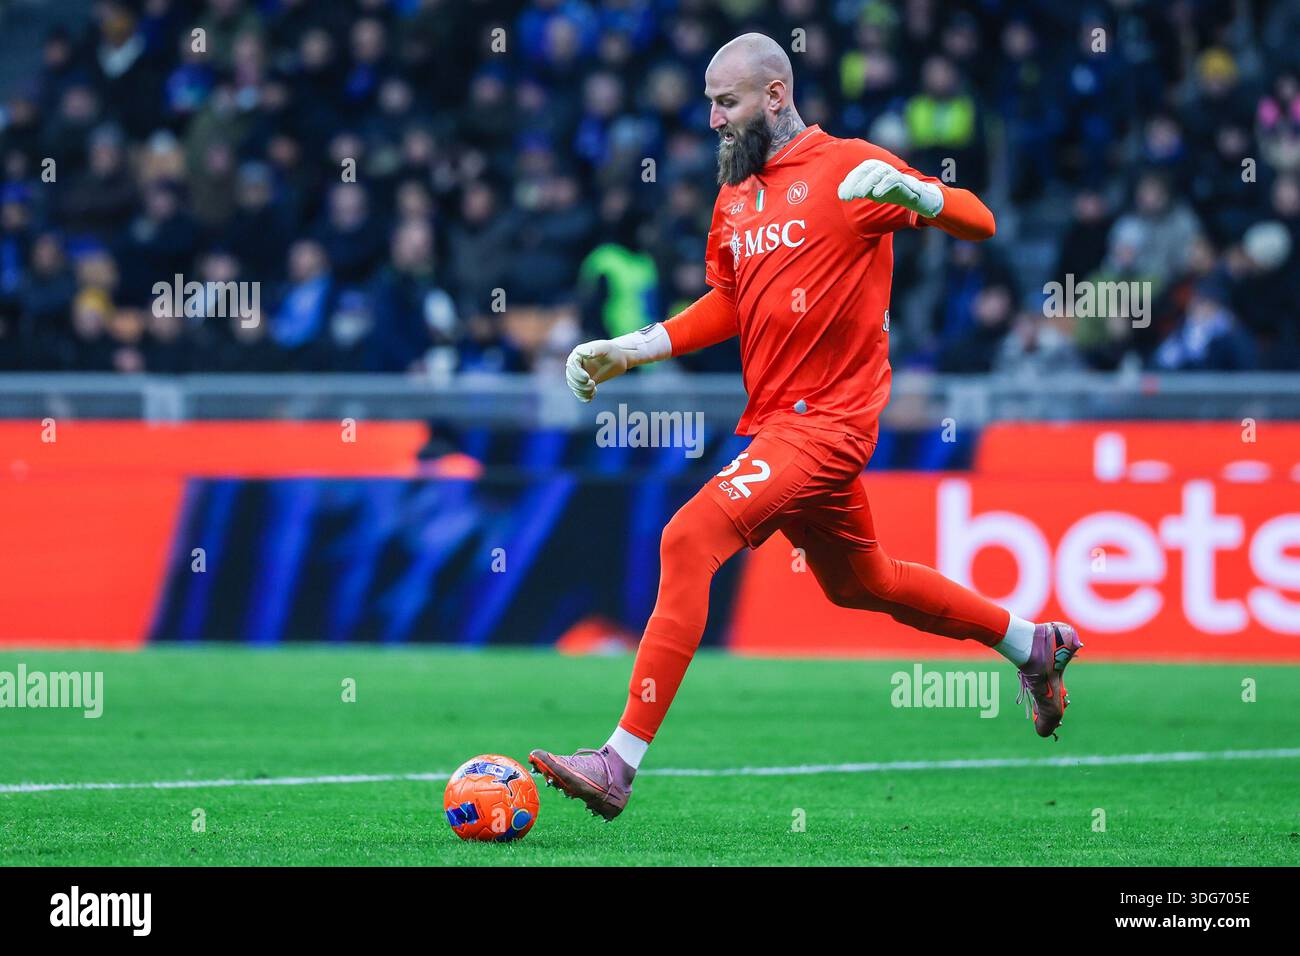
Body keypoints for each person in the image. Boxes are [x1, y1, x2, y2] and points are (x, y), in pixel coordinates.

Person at [529, 34, 1081, 821]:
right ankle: (1034, 644)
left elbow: (981, 221)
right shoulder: (735, 194)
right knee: (865, 582)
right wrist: (637, 349)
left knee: (688, 539)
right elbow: (729, 301)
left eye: (728, 102)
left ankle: (618, 762)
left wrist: (921, 196)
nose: (713, 119)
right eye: (710, 103)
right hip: (779, 430)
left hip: (828, 425)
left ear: (776, 94)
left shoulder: (850, 168)